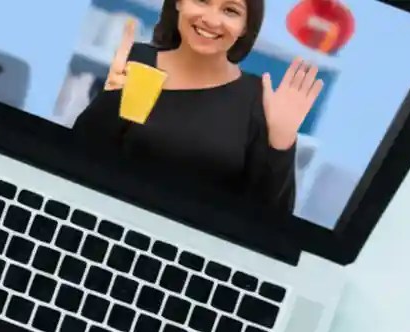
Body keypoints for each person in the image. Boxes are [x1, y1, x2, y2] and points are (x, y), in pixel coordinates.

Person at [73, 0, 324, 214]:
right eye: (202, 0)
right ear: (179, 3)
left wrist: (280, 141)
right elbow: (80, 157)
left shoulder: (258, 100)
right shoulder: (139, 62)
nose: (211, 20)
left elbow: (272, 223)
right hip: (115, 215)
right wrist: (110, 99)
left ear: (245, 27)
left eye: (230, 11)